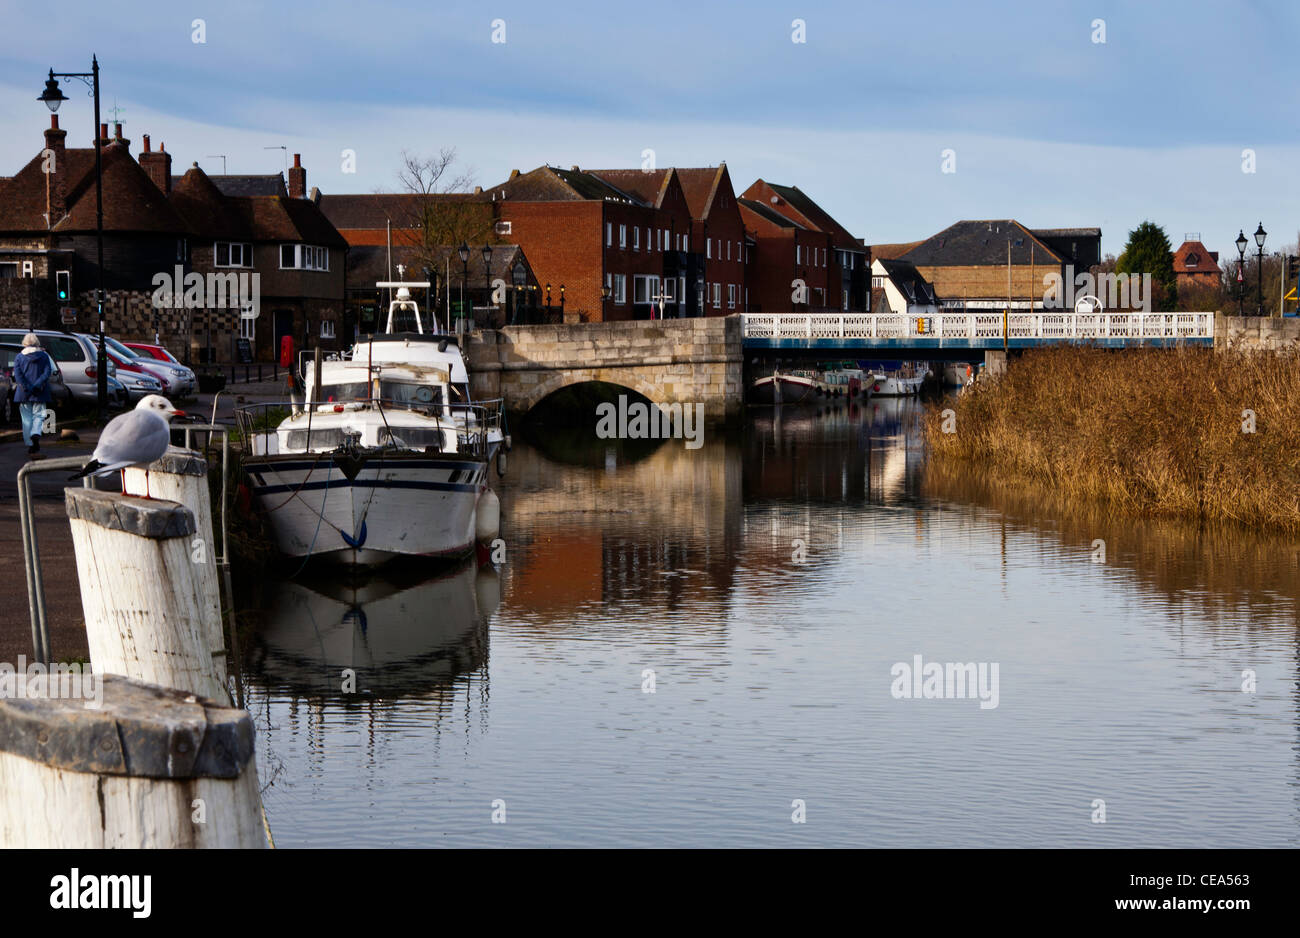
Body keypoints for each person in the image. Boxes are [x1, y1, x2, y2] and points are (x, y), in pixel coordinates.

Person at [13, 333, 54, 457]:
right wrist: (37, 385)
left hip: (24, 392)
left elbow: (18, 375)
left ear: (24, 343)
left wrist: (27, 387)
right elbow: (47, 372)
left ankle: (30, 443)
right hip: (40, 391)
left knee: (26, 418)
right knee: (39, 415)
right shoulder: (44, 356)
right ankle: (36, 433)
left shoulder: (19, 357)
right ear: (37, 343)